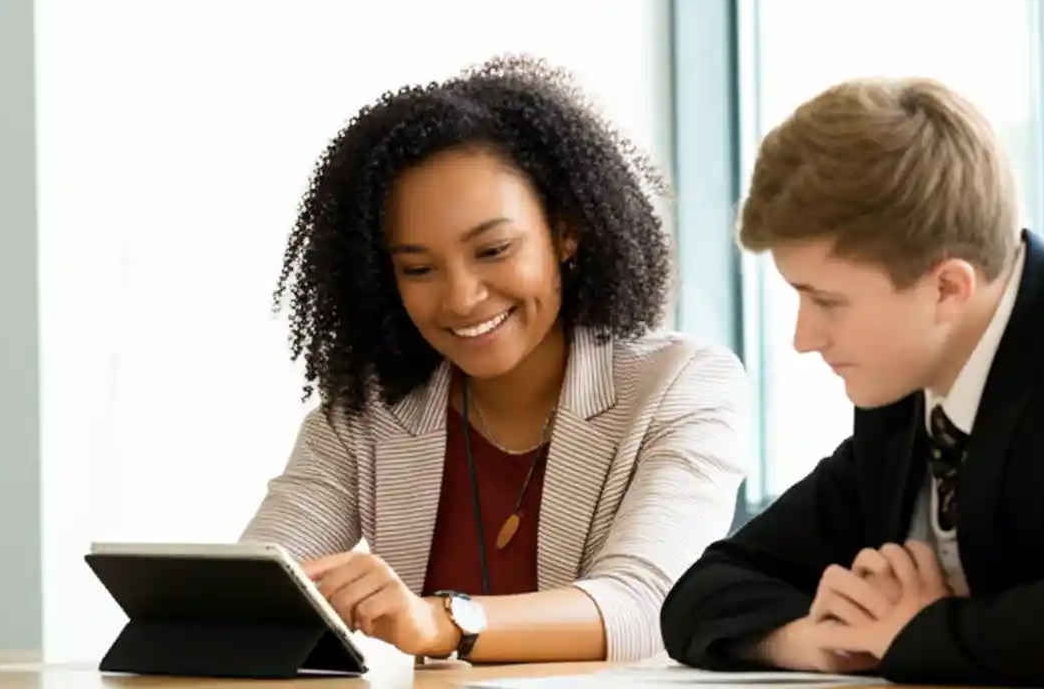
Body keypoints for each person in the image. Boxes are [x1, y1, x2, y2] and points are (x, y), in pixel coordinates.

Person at [241, 56, 747, 664]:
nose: (460, 297)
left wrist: (441, 621)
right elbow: (250, 599)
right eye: (419, 269)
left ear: (566, 232)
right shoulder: (365, 418)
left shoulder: (684, 386)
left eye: (494, 249)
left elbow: (646, 606)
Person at [660, 77, 1044, 686]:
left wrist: (915, 632)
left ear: (946, 288)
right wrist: (816, 639)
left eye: (827, 302)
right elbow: (701, 594)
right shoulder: (913, 392)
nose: (803, 338)